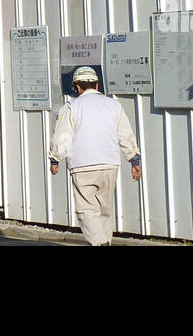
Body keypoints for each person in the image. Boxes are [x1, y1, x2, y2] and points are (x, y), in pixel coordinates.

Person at [48, 66, 141, 246]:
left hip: (82, 165)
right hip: (109, 164)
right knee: (105, 210)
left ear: (77, 87)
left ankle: (99, 243)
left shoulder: (72, 106)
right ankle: (105, 241)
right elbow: (125, 133)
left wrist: (55, 159)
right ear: (97, 85)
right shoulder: (113, 105)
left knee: (87, 210)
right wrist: (133, 159)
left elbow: (62, 136)